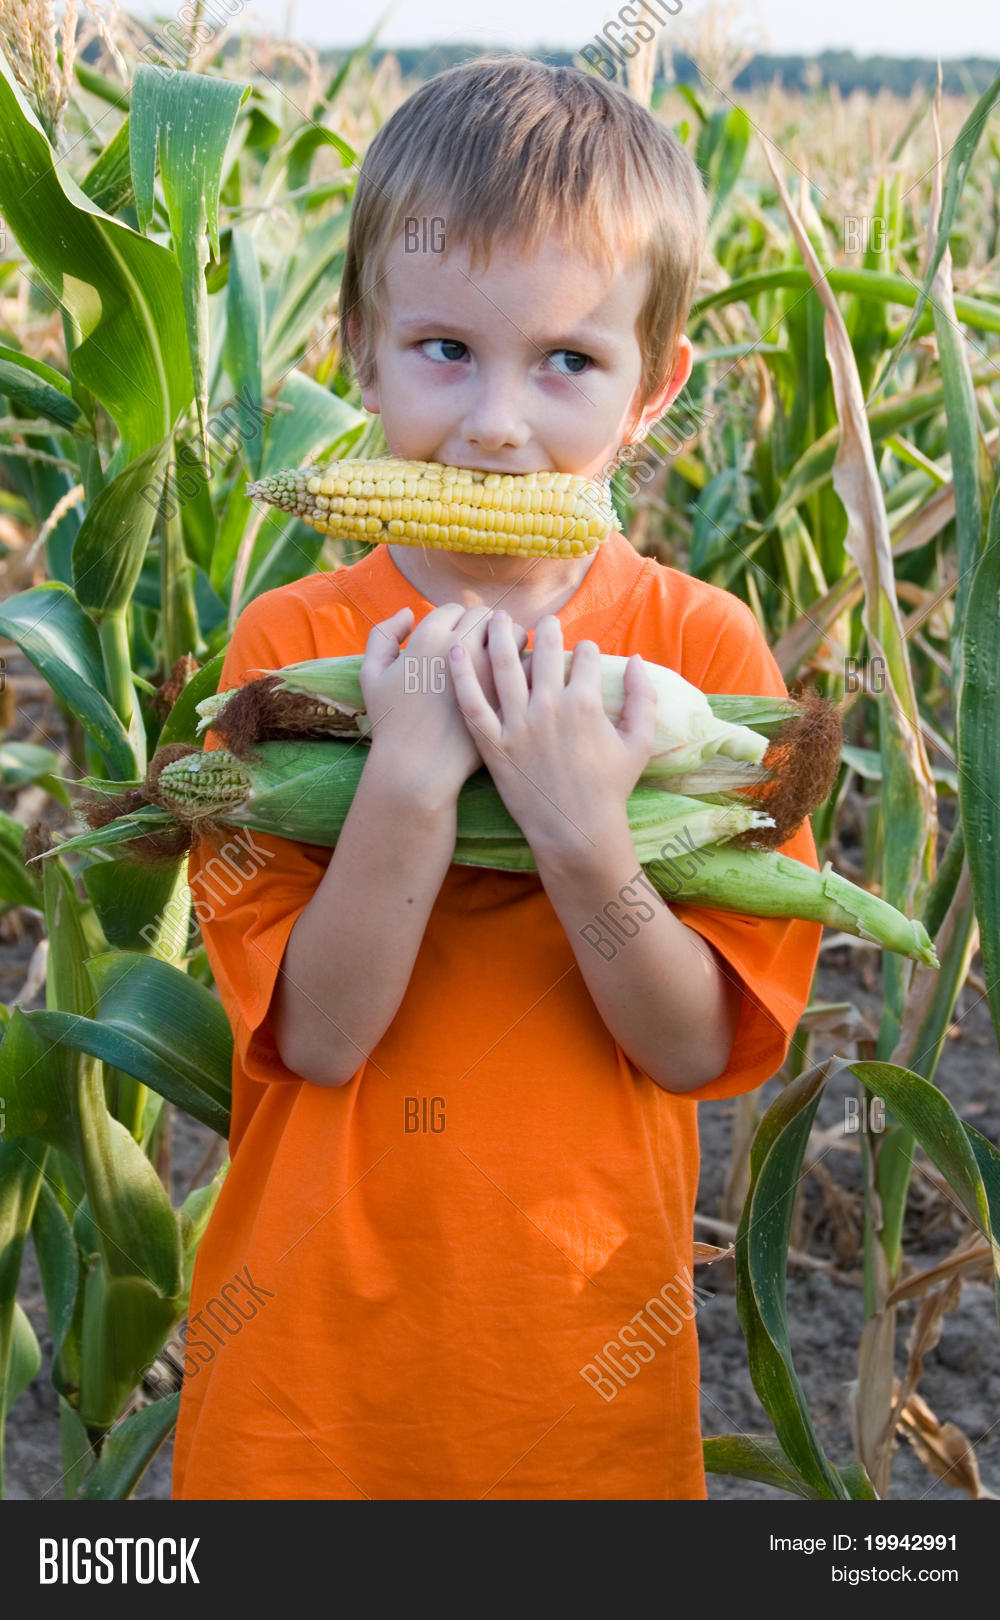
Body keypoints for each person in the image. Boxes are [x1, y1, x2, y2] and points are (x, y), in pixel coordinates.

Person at [171, 55, 822, 1501]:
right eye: (446, 351)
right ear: (359, 342)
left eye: (569, 363)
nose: (498, 426)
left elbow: (694, 1051)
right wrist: (409, 784)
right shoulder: (292, 647)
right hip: (311, 1393)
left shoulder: (701, 655)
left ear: (656, 391)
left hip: (577, 1382)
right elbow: (324, 1040)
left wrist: (583, 837)